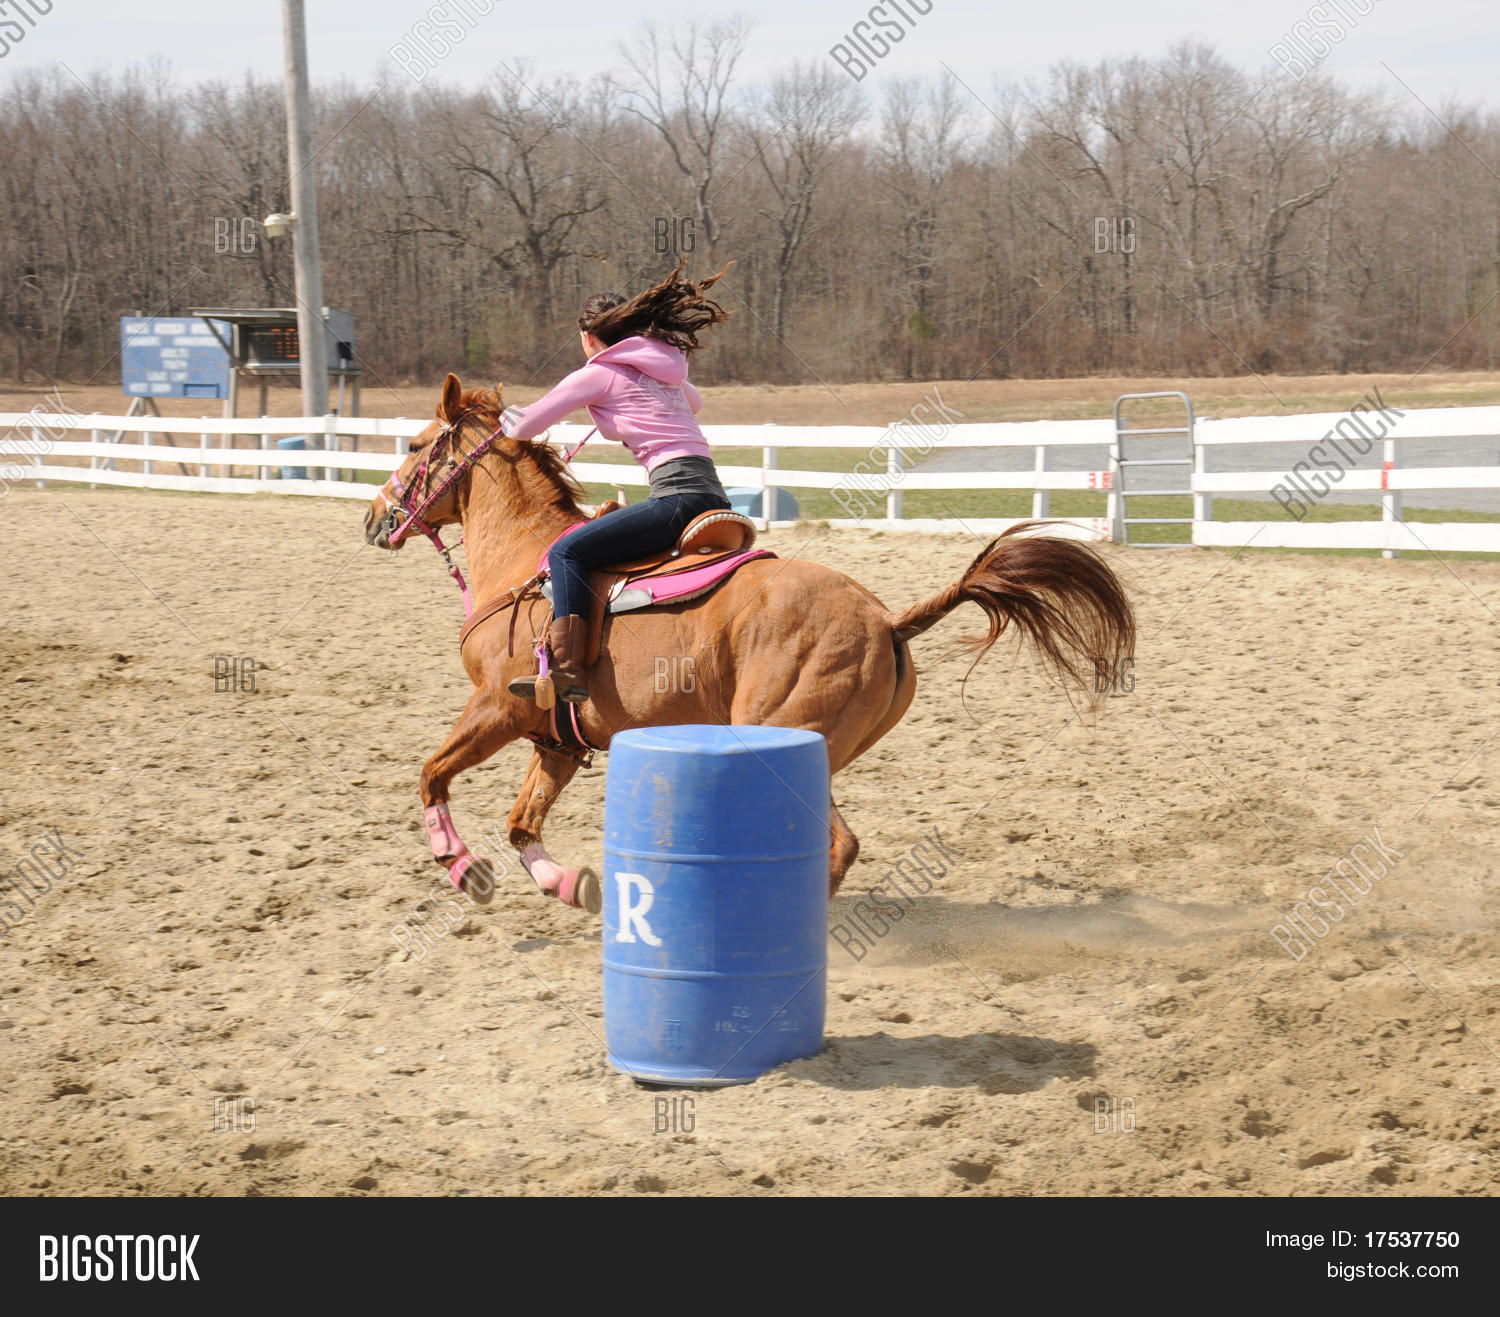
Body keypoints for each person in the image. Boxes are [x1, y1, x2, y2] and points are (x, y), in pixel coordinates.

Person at [500, 263, 735, 704]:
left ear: (589, 337)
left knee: (566, 550)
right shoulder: (668, 373)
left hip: (676, 497)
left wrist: (503, 413)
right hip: (711, 495)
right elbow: (694, 401)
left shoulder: (598, 373)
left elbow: (524, 427)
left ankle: (567, 669)